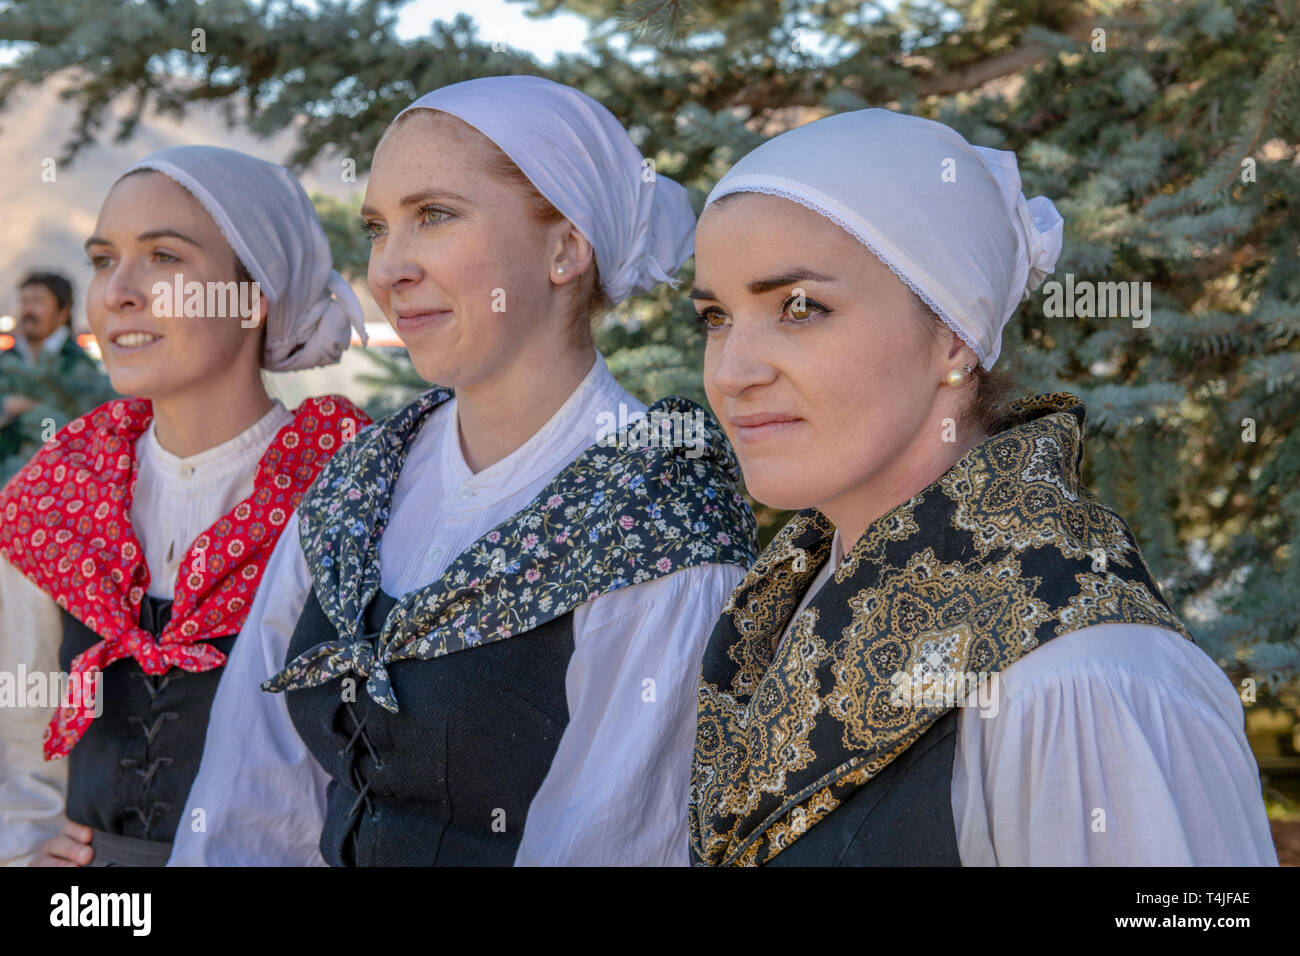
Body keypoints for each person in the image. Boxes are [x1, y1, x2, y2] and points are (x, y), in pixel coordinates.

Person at [170, 75, 758, 867]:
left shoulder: (657, 511)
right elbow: (249, 798)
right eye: (379, 227)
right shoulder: (358, 486)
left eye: (434, 216)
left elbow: (612, 842)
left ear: (566, 247)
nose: (389, 269)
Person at [686, 107, 1278, 866]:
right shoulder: (782, 602)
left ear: (955, 340)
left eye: (800, 308)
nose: (734, 372)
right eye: (716, 317)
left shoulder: (1081, 677)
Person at [0, 145, 371, 867]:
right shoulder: (59, 494)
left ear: (252, 294)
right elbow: (18, 729)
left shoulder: (344, 495)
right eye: (104, 259)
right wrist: (21, 848)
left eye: (164, 257)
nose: (117, 292)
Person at [0, 272, 115, 478]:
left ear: (63, 311)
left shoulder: (78, 366)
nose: (28, 310)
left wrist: (36, 410)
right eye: (25, 301)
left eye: (38, 301)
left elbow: (82, 430)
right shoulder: (6, 360)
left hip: (57, 481)